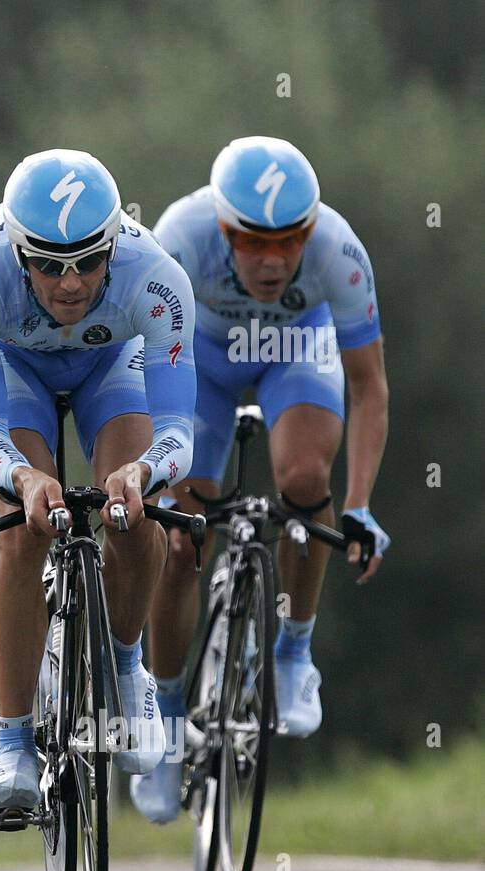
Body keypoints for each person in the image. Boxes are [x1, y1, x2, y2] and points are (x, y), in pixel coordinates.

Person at [132, 136, 389, 823]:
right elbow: (137, 365)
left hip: (296, 352)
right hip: (200, 365)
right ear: (223, 230)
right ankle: (165, 709)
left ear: (310, 229)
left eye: (289, 241)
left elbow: (369, 388)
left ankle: (293, 653)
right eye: (253, 242)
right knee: (181, 536)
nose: (273, 260)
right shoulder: (178, 239)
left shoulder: (338, 250)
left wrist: (358, 505)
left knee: (305, 480)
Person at [0, 149, 198, 817]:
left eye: (89, 260)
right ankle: (14, 743)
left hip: (111, 369)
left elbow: (178, 433)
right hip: (15, 373)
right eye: (50, 266)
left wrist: (139, 471)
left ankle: (123, 663)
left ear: (114, 245)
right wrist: (24, 478)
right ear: (20, 256)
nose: (73, 283)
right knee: (23, 531)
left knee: (136, 514)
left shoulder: (157, 278)